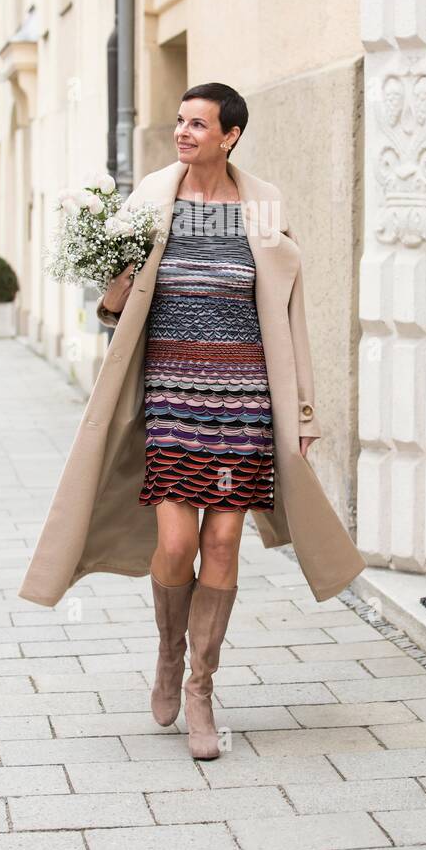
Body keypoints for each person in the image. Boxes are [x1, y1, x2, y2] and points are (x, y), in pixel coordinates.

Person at [101, 83, 318, 760]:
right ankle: (170, 652)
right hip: (171, 401)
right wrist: (116, 273)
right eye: (180, 121)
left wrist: (304, 413)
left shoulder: (263, 207)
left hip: (243, 404)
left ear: (231, 136)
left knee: (222, 545)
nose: (184, 132)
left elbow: (290, 318)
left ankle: (201, 688)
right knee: (173, 546)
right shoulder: (150, 201)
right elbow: (112, 309)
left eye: (199, 124)